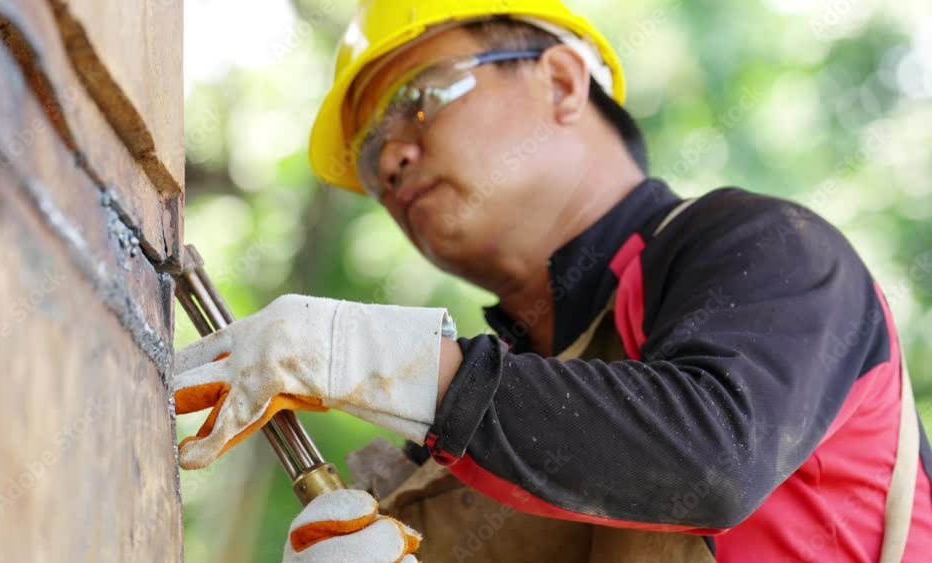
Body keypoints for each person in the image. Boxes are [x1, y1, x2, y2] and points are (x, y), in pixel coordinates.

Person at [172, 1, 932, 561]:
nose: (393, 159)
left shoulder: (764, 250)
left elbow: (712, 459)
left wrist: (385, 359)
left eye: (420, 100)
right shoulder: (453, 463)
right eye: (371, 159)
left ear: (563, 82)